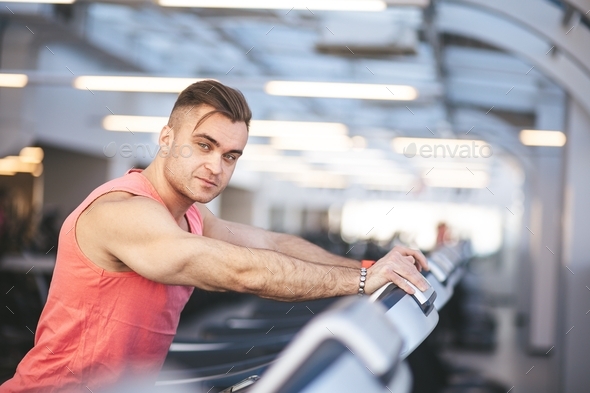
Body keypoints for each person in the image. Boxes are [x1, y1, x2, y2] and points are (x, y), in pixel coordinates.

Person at [0, 80, 429, 392]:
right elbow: (240, 270)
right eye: (203, 146)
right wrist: (358, 284)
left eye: (230, 156)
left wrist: (371, 268)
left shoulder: (192, 217)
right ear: (166, 138)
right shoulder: (122, 212)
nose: (216, 167)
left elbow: (270, 244)